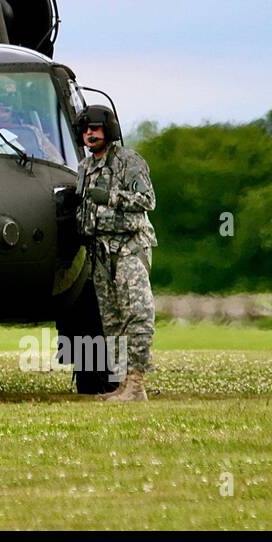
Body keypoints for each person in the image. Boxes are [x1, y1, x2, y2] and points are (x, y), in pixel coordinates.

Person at [74, 104, 156, 402]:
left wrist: (109, 197)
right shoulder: (84, 168)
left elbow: (147, 200)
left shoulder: (127, 161)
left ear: (108, 130)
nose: (89, 134)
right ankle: (123, 383)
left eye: (95, 128)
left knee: (137, 313)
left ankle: (137, 382)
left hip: (128, 247)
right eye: (85, 129)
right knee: (111, 320)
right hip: (100, 251)